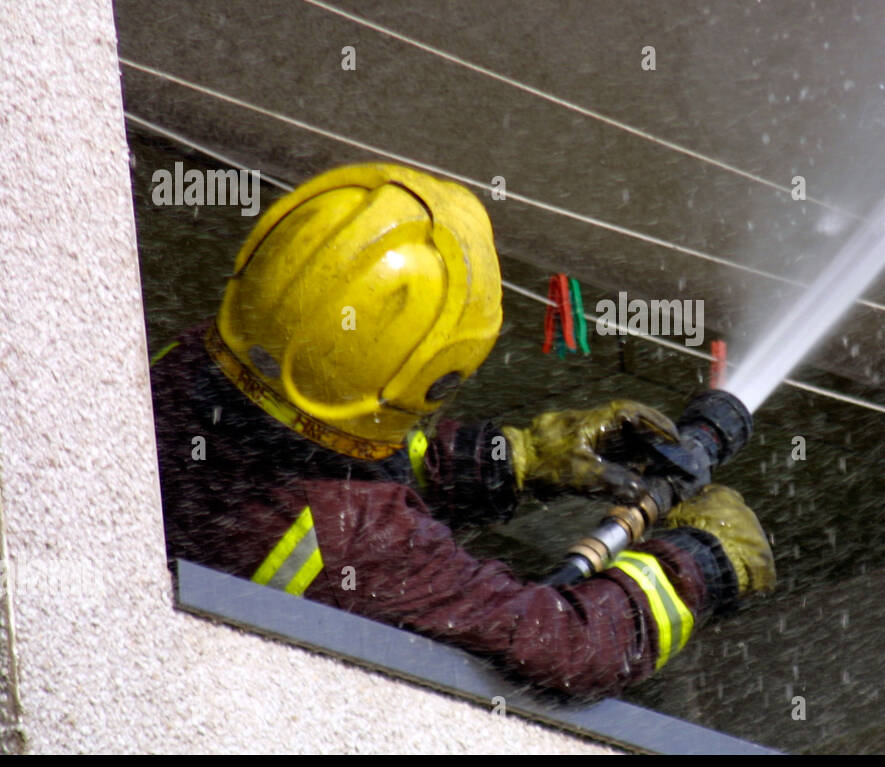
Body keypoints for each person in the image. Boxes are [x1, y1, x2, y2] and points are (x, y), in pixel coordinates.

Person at [150, 162, 775, 698]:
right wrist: (699, 565)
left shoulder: (192, 364)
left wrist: (518, 459)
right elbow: (562, 642)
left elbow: (319, 455)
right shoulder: (357, 543)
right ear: (433, 377)